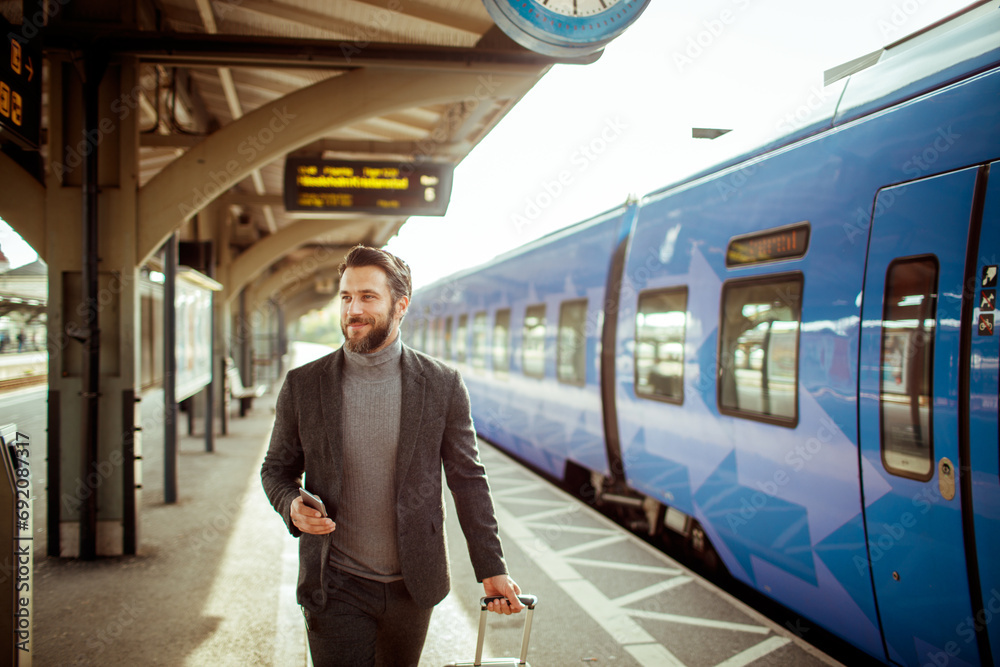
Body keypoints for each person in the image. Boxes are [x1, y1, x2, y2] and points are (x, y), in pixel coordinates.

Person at [261, 245, 523, 667]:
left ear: (401, 305)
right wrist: (290, 504)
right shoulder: (303, 385)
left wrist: (491, 567)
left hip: (412, 588)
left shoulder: (442, 385)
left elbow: (468, 479)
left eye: (368, 297)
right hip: (334, 583)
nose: (353, 310)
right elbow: (276, 469)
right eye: (346, 297)